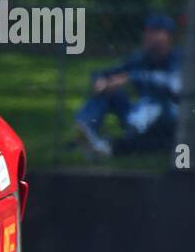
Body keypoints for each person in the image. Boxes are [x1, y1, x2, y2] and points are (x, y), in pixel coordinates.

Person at [74, 13, 182, 158]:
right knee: (109, 92)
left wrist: (131, 77)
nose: (148, 36)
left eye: (154, 32)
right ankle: (85, 130)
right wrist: (101, 81)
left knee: (154, 107)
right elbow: (107, 72)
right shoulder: (141, 58)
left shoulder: (178, 58)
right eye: (147, 31)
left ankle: (109, 145)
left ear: (167, 36)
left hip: (167, 115)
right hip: (140, 112)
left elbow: (175, 84)